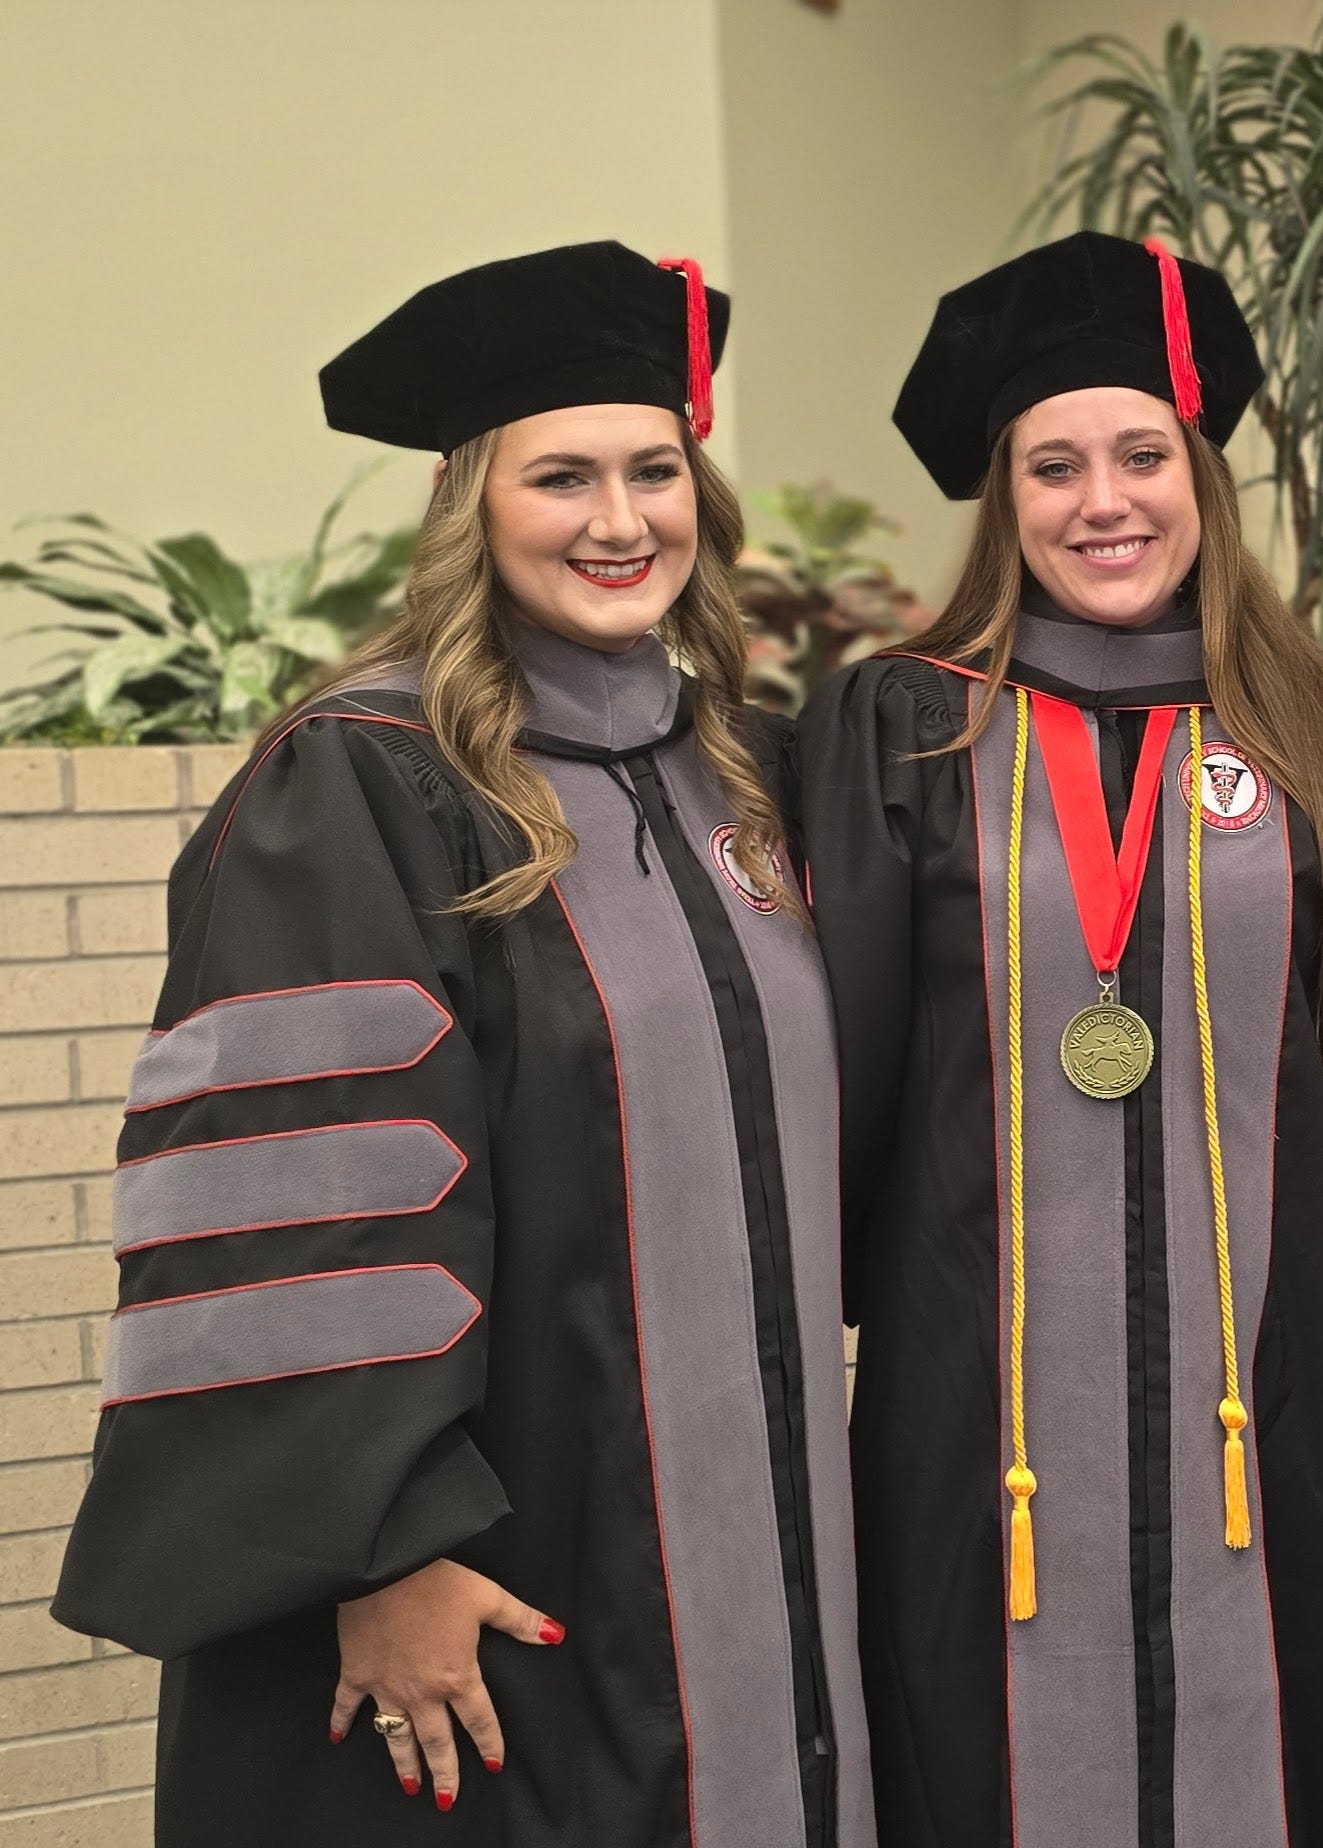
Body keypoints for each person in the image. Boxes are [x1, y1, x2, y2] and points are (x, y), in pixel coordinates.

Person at [53, 242, 874, 1848]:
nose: (620, 520)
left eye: (655, 470)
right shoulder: (364, 781)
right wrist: (387, 1550)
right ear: (470, 509)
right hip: (499, 1558)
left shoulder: (739, 775)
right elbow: (299, 1218)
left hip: (750, 1543)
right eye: (561, 475)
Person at [797, 231, 1323, 1848]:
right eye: (1050, 466)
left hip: (1281, 1386)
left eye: (1141, 454)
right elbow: (837, 1082)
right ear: (1001, 501)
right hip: (974, 1379)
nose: (1102, 501)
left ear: (1200, 475)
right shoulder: (904, 726)